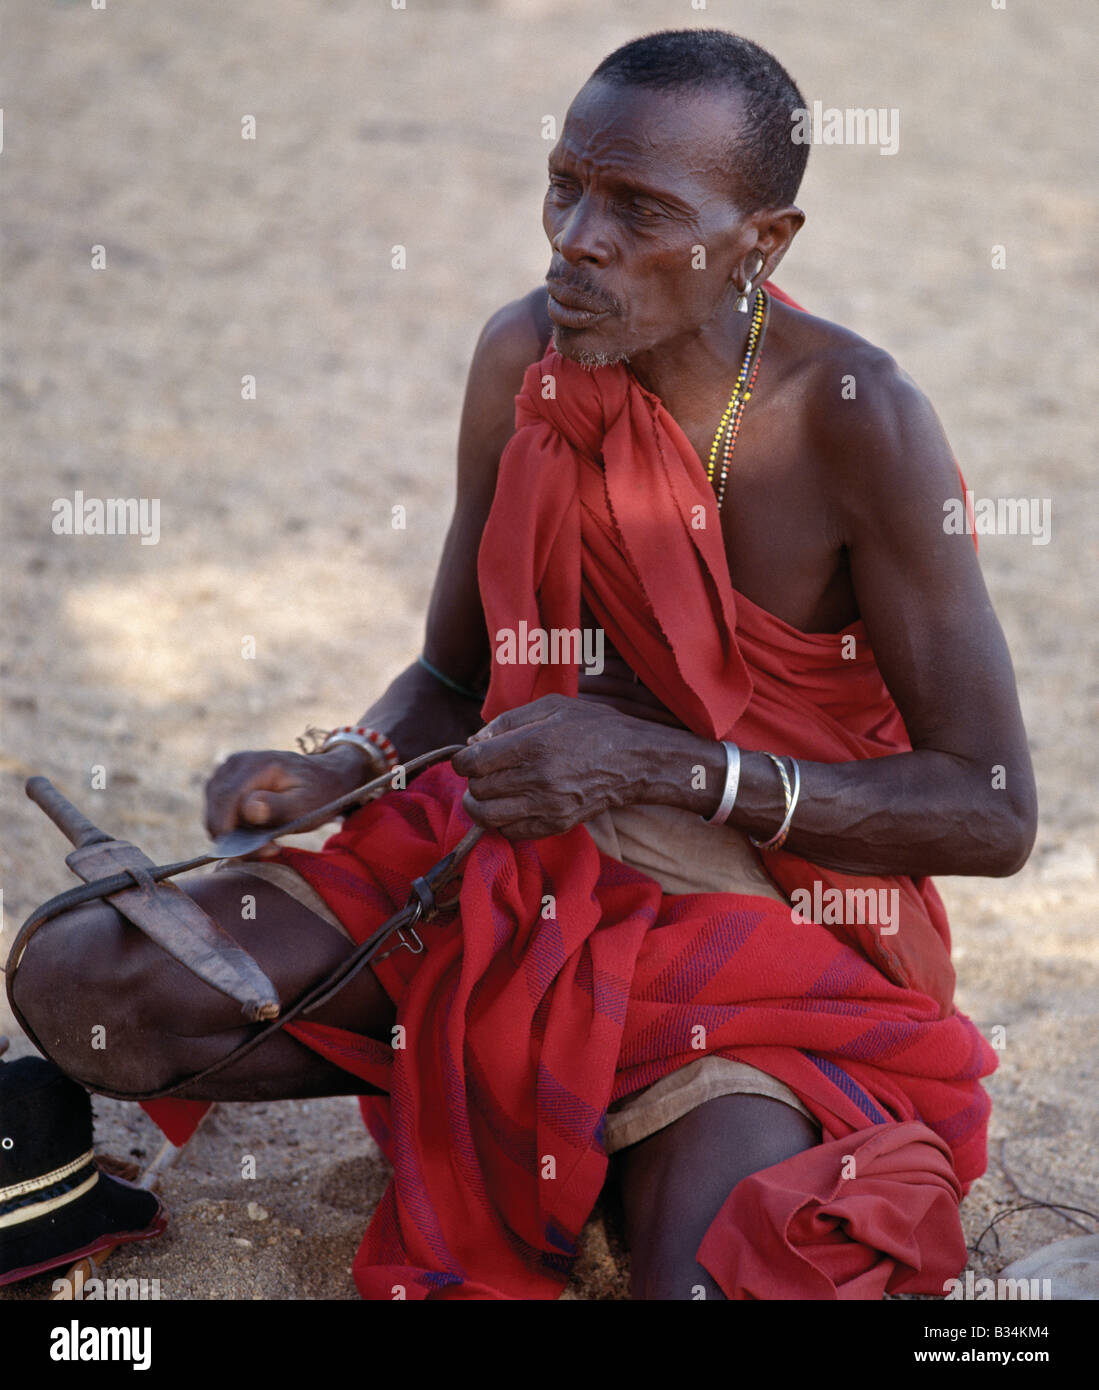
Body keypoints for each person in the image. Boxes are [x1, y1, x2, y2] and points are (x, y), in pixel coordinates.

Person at [10, 28, 1036, 1300]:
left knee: (706, 1278)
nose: (576, 236)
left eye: (641, 209)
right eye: (566, 185)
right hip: (505, 860)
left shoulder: (856, 419)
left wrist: (663, 765)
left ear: (764, 242)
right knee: (84, 978)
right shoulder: (523, 360)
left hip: (766, 931)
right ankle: (541, 1086)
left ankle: (588, 1105)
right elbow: (450, 675)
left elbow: (989, 811)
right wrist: (337, 768)